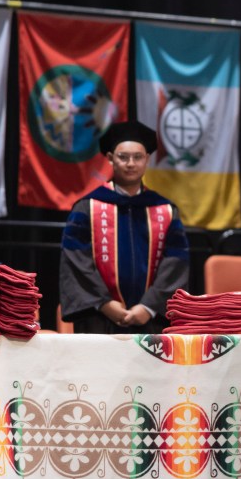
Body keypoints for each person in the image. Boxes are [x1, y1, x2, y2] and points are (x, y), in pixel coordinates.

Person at [59, 121, 190, 334]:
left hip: (151, 320)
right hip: (98, 318)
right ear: (110, 158)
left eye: (138, 157)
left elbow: (175, 264)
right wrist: (104, 303)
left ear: (147, 159)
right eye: (123, 157)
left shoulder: (165, 210)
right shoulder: (88, 207)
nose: (131, 163)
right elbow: (76, 262)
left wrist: (149, 306)